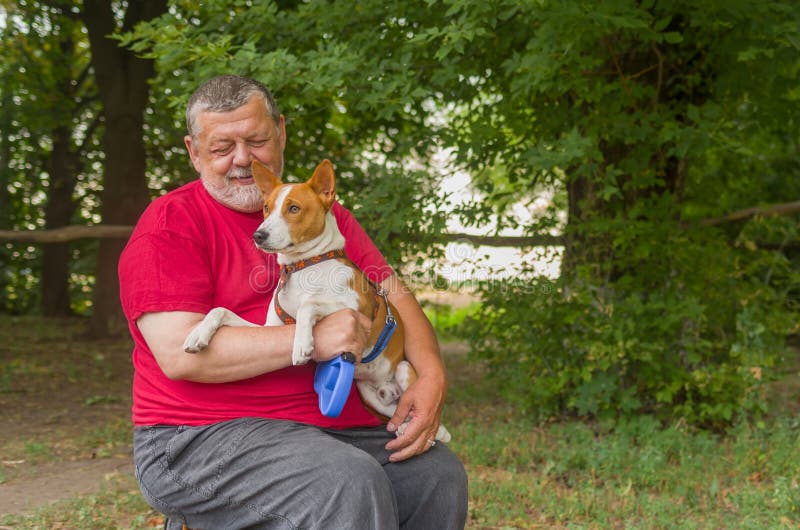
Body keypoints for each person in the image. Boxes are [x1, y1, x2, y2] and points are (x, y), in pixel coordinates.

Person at [118, 74, 468, 530]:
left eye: (257, 140)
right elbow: (180, 356)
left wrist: (433, 377)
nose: (242, 160)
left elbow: (394, 293)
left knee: (437, 476)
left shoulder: (324, 216)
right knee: (346, 481)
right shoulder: (170, 224)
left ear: (281, 133)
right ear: (194, 152)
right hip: (197, 437)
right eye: (223, 148)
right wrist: (314, 338)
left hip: (325, 429)